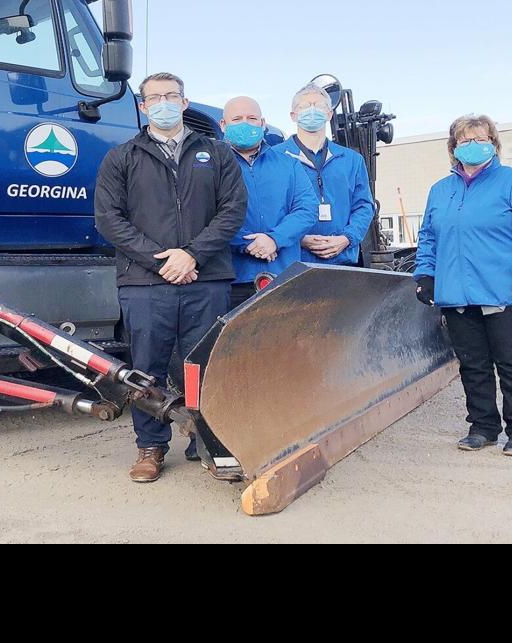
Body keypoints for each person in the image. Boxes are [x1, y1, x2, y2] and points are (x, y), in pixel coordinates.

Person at [94, 72, 247, 482]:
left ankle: (210, 444)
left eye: (171, 96)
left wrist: (192, 254)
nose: (163, 102)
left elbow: (232, 210)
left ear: (184, 102)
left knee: (204, 365)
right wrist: (162, 261)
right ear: (143, 107)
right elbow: (109, 219)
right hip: (146, 282)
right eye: (154, 97)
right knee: (147, 368)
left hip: (206, 278)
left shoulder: (217, 153)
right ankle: (151, 447)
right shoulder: (121, 157)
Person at [412, 115, 512, 457]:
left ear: (493, 143)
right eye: (464, 140)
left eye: (480, 139)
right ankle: (483, 426)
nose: (472, 146)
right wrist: (425, 275)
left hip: (505, 291)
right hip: (456, 292)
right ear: (453, 147)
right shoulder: (441, 191)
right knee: (472, 363)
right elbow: (428, 237)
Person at [222, 96, 319, 311]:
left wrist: (275, 239)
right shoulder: (212, 166)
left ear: (262, 123)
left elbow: (307, 209)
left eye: (252, 118)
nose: (245, 123)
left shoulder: (289, 164)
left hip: (283, 276)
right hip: (230, 279)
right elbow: (206, 214)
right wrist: (246, 244)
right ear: (223, 125)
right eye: (237, 119)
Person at [283, 84, 374, 267]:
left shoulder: (352, 160)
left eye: (318, 106)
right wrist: (297, 237)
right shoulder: (276, 158)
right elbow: (270, 210)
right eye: (305, 106)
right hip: (293, 263)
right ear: (293, 115)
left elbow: (364, 206)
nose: (312, 110)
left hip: (342, 262)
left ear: (329, 114)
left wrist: (346, 238)